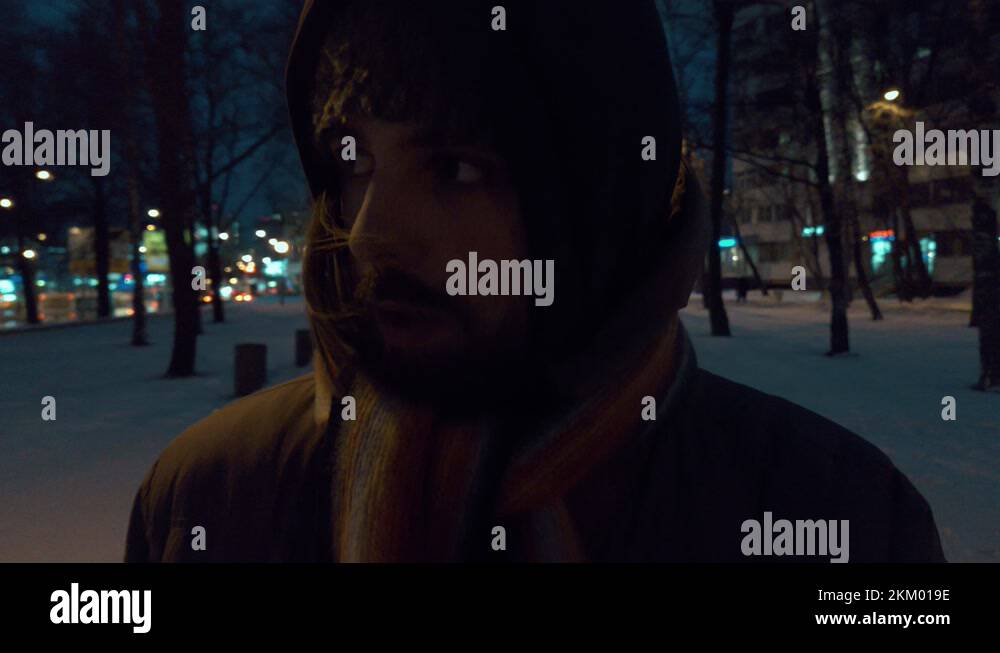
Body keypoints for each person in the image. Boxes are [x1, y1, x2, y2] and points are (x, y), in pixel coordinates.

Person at [124, 0, 944, 562]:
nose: (370, 231)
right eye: (354, 161)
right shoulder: (207, 498)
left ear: (602, 207)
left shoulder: (838, 514)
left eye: (456, 168)